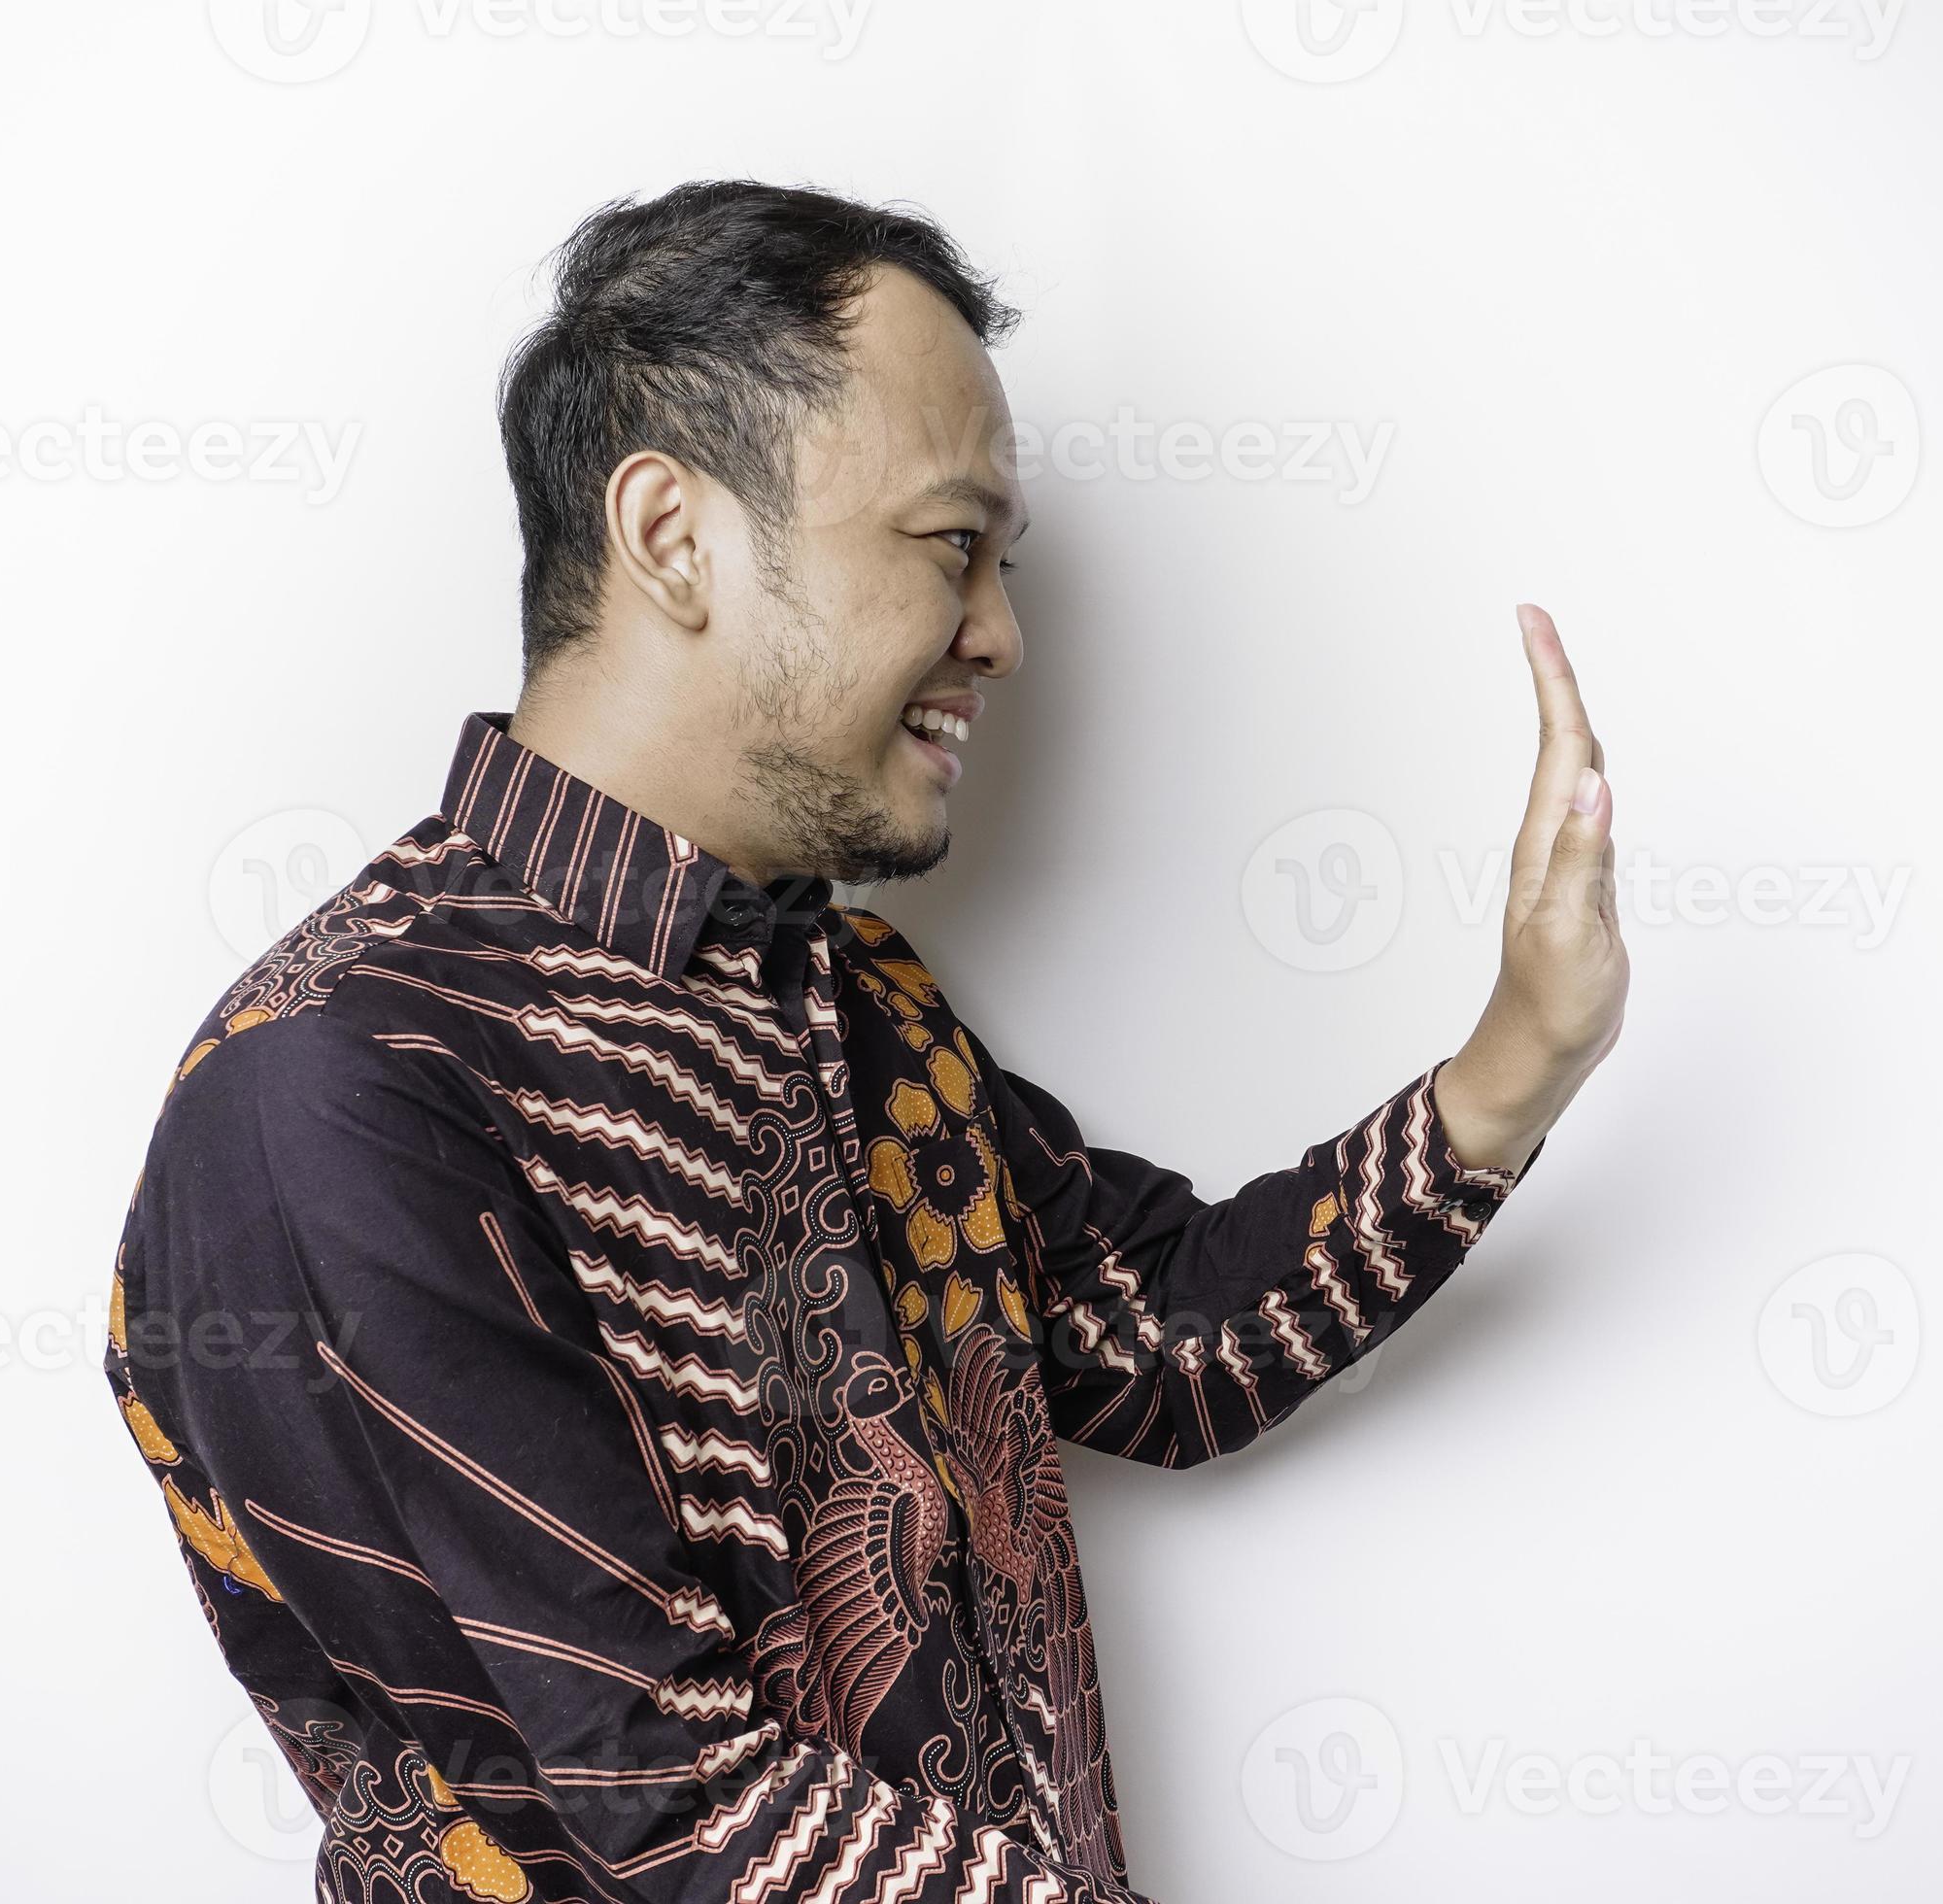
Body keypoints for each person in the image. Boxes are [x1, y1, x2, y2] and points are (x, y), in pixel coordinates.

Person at [102, 180, 1626, 1903]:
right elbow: (669, 1820)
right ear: (674, 536)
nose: (1002, 633)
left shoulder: (854, 1000)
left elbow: (1167, 1344)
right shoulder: (341, 1085)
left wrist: (1522, 1057)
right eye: (947, 544)